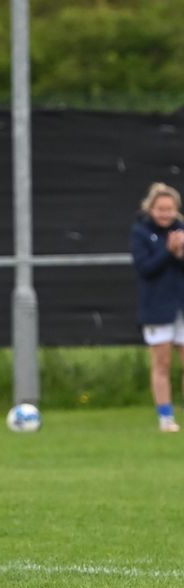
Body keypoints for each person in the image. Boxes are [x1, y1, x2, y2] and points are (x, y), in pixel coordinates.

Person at [129, 182, 184, 433]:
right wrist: (169, 251)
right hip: (157, 308)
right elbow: (146, 269)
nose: (165, 214)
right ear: (151, 209)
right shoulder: (141, 233)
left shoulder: (181, 230)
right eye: (160, 209)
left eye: (170, 209)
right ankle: (165, 417)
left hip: (181, 306)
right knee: (162, 364)